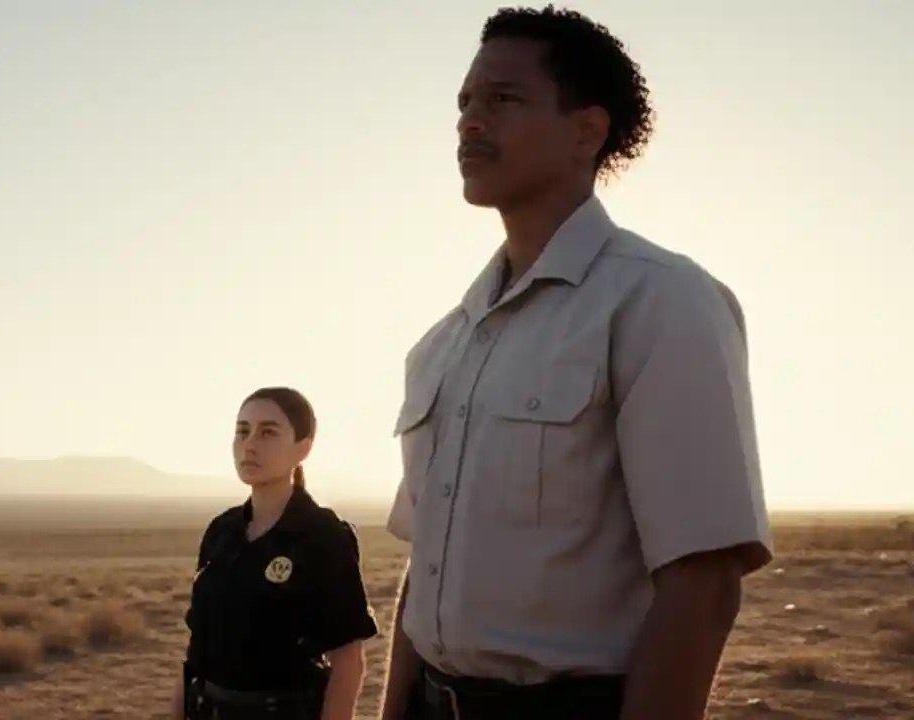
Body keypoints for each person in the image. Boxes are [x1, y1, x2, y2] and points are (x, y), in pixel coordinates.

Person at [378, 6, 773, 720]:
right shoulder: (445, 342)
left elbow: (704, 583)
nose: (469, 121)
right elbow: (426, 567)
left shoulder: (659, 302)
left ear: (586, 132)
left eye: (503, 99)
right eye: (465, 102)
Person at [174, 386, 380, 720]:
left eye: (268, 432)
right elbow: (195, 653)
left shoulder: (322, 535)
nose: (250, 444)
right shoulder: (222, 532)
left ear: (303, 448)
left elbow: (348, 662)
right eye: (242, 431)